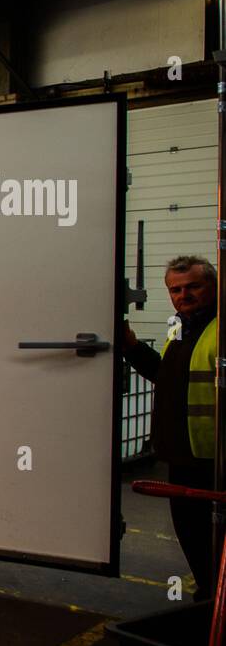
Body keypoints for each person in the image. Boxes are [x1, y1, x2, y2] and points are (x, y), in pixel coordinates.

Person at [123, 255, 219, 601]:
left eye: (193, 286)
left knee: (214, 539)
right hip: (182, 456)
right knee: (193, 537)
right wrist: (132, 348)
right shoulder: (181, 326)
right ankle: (208, 601)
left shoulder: (220, 328)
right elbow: (167, 378)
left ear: (214, 285)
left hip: (214, 459)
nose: (184, 294)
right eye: (175, 289)